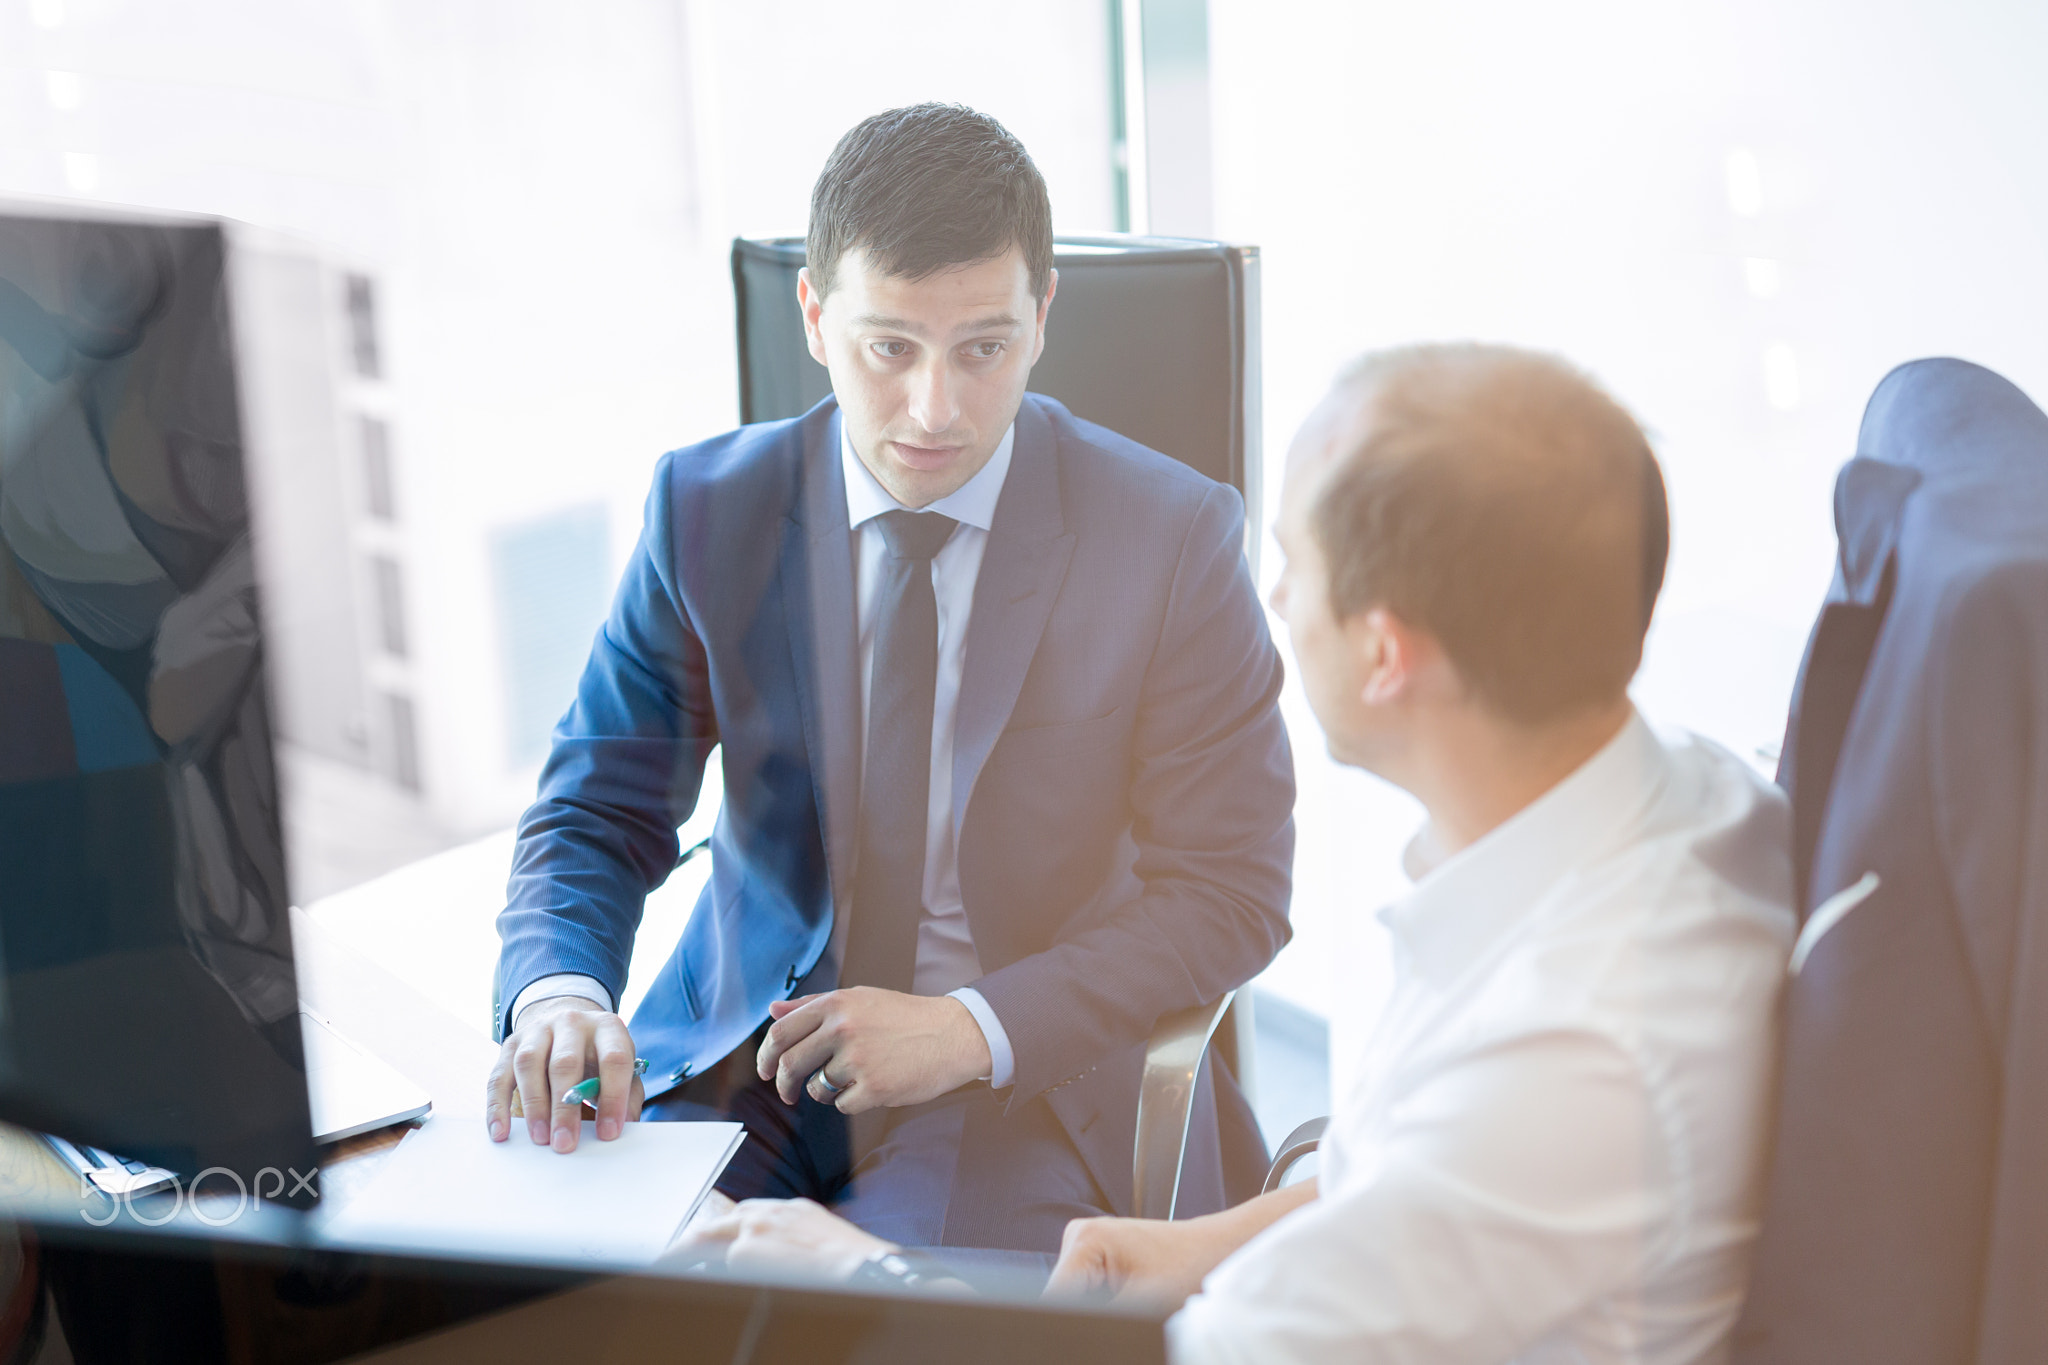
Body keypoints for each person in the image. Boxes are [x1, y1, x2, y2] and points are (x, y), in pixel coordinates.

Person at [694, 343, 1796, 1361]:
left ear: (1382, 654)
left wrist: (864, 1280)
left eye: (1293, 567)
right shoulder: (1684, 796)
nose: (1272, 599)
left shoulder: (1563, 1056)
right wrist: (1196, 1244)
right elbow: (1426, 1189)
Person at [485, 103, 1294, 1257]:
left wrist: (969, 1027)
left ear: (1041, 315)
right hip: (739, 1058)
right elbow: (594, 804)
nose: (935, 410)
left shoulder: (1171, 540)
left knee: (894, 1330)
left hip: (1012, 1087)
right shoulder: (706, 511)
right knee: (576, 1300)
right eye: (888, 347)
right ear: (814, 317)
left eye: (982, 348)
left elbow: (1232, 890)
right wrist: (559, 992)